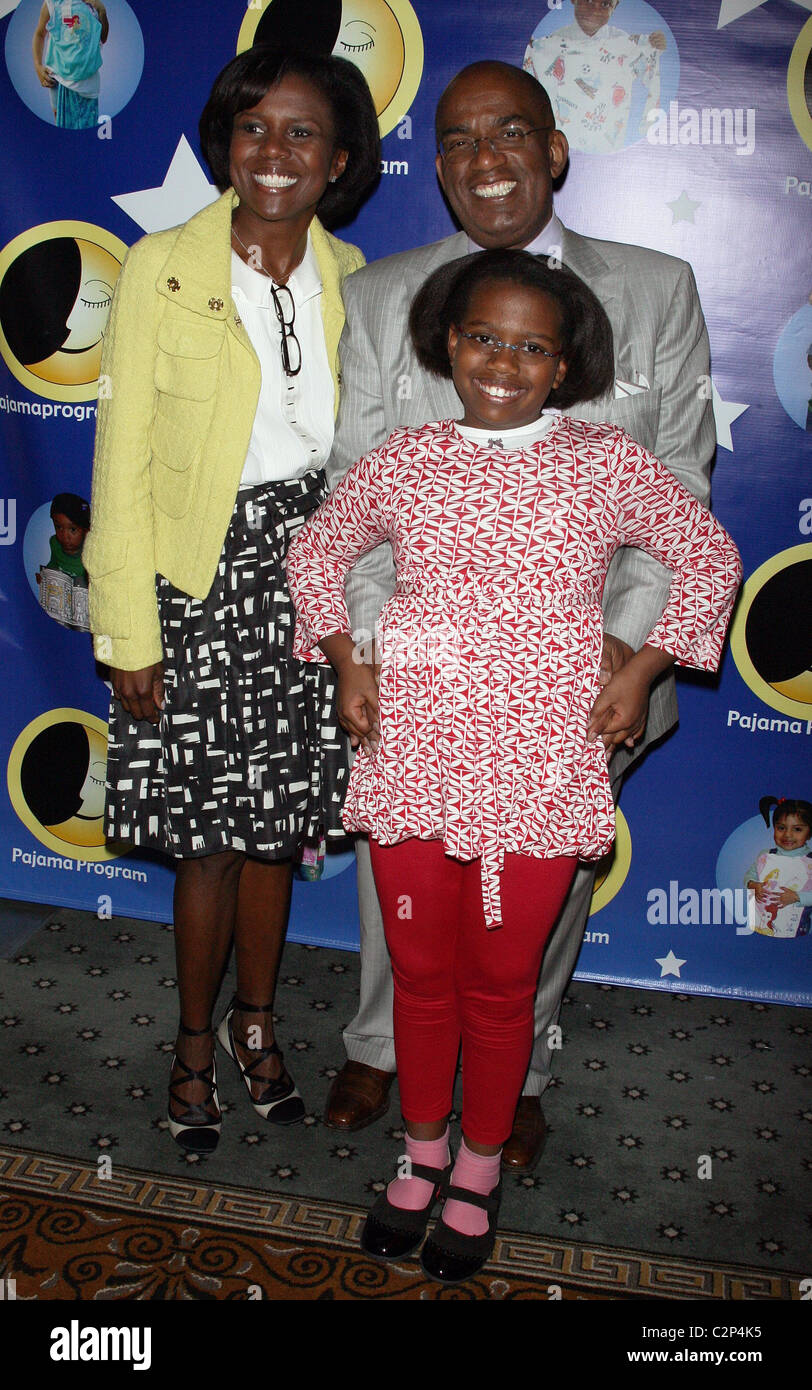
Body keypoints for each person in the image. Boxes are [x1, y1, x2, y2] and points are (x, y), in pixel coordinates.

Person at [286, 249, 741, 1282]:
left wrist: (642, 671)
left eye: (532, 345)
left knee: (498, 989)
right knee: (420, 978)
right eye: (484, 336)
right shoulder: (402, 458)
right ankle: (422, 1152)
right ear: (448, 341)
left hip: (542, 761)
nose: (504, 360)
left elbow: (707, 555)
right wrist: (348, 660)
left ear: (563, 361)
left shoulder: (607, 462)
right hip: (413, 751)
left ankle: (478, 1170)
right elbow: (319, 551)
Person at [323, 58, 716, 1173]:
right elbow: (355, 500)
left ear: (552, 149)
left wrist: (621, 648)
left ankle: (519, 1065)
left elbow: (677, 487)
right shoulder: (381, 295)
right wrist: (372, 651)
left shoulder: (653, 287)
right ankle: (384, 1047)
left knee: (540, 889)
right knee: (398, 860)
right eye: (455, 139)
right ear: (434, 164)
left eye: (508, 133)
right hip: (422, 673)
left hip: (578, 667)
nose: (483, 158)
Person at [83, 46, 379, 1154]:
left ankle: (260, 1027)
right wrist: (127, 629)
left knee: (278, 832)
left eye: (301, 133)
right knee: (204, 841)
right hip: (195, 580)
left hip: (315, 578)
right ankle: (194, 1044)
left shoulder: (360, 279)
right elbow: (120, 467)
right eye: (253, 128)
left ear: (339, 159)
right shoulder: (160, 267)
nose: (274, 151)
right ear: (226, 143)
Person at [523, 0, 666, 155]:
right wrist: (530, 50)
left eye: (605, 4)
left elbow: (652, 81)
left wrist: (653, 49)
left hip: (605, 149)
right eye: (589, 0)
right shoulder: (550, 45)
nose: (595, 9)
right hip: (563, 147)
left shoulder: (625, 44)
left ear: (614, 8)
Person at [32, 0, 109, 131]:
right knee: (62, 129)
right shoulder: (51, 4)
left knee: (87, 130)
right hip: (58, 77)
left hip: (87, 80)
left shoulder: (93, 4)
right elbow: (39, 33)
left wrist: (102, 11)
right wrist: (37, 65)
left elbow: (103, 37)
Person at [745, 797, 812, 938]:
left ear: (809, 833)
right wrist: (752, 884)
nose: (788, 835)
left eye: (797, 829)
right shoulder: (765, 856)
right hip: (760, 924)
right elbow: (750, 875)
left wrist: (797, 897)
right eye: (781, 828)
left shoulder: (809, 863)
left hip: (794, 927)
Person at [40, 493, 90, 582]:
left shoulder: (91, 553)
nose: (64, 536)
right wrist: (44, 576)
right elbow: (53, 564)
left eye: (73, 530)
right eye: (58, 527)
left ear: (86, 530)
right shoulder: (55, 543)